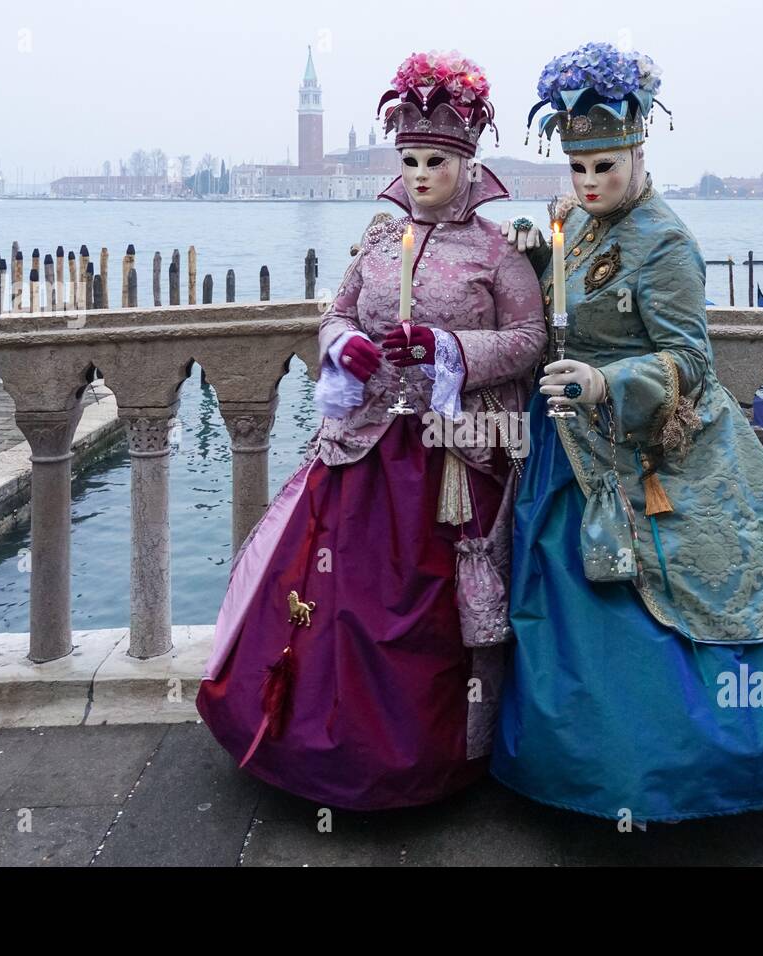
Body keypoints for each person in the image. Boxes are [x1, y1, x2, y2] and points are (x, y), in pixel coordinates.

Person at [491, 43, 763, 824]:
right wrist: (534, 254)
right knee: (563, 593)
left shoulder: (667, 242)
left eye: (604, 169)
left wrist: (606, 380)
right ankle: (572, 759)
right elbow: (566, 295)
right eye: (577, 170)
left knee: (697, 596)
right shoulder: (578, 226)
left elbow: (691, 357)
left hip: (652, 448)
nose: (588, 185)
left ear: (638, 152)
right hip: (571, 448)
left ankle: (684, 770)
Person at [197, 49, 546, 811]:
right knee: (336, 595)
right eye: (412, 159)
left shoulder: (498, 254)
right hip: (364, 447)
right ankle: (323, 748)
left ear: (465, 164)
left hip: (450, 460)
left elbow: (529, 341)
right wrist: (342, 345)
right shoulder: (381, 241)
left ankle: (442, 757)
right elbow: (336, 313)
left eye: (436, 161)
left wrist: (448, 350)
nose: (421, 174)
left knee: (435, 609)